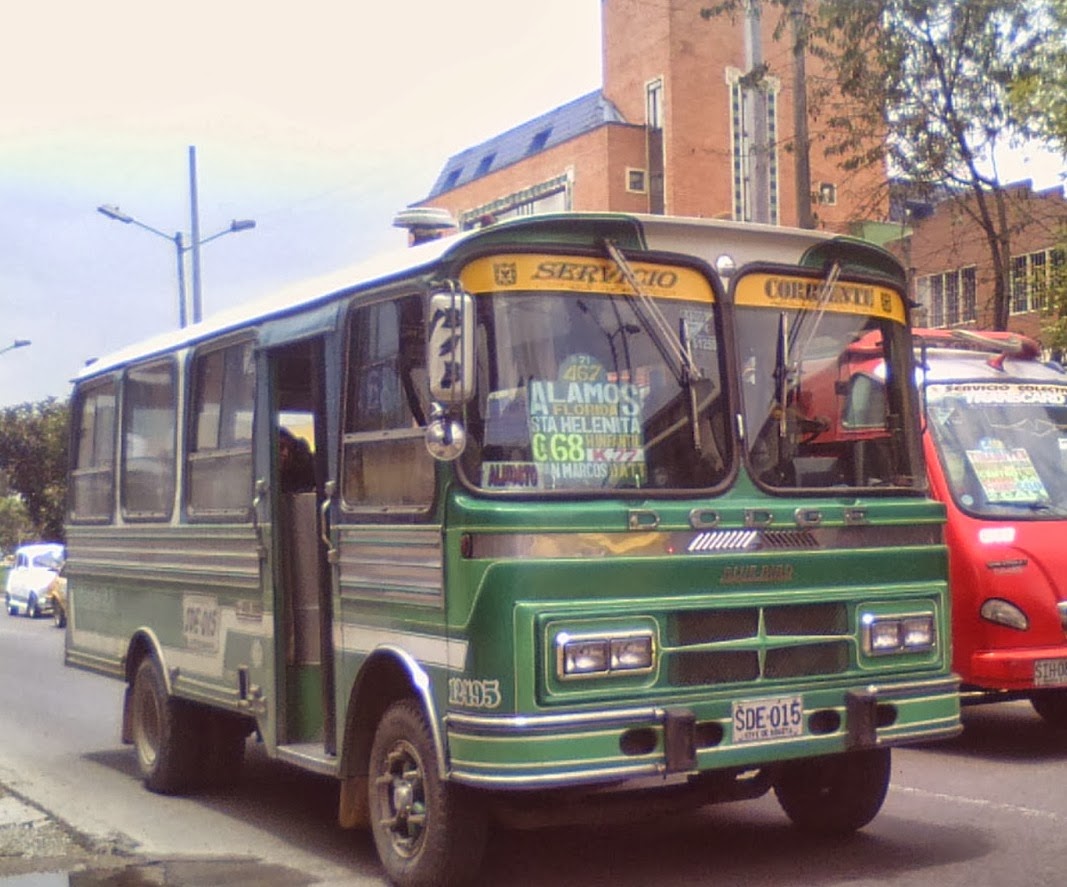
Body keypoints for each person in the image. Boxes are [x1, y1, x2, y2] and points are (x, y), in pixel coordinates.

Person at [279, 427, 316, 493]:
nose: (284, 453)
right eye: (276, 448)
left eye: (281, 446)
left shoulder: (314, 466)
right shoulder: (272, 474)